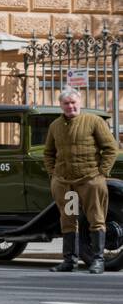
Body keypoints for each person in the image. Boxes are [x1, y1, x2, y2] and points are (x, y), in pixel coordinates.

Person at [44, 89, 118, 274]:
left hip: (90, 181)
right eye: (66, 103)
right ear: (61, 105)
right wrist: (54, 174)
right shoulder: (55, 126)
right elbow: (48, 153)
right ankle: (69, 261)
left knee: (96, 219)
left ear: (80, 102)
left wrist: (101, 173)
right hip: (65, 183)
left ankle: (97, 261)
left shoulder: (94, 121)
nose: (70, 106)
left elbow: (110, 148)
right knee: (68, 220)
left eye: (73, 102)